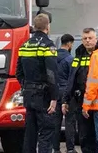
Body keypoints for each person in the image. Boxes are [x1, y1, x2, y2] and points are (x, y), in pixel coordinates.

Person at [16, 13, 60, 153]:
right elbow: (52, 74)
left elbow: (18, 72)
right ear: (48, 27)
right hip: (44, 96)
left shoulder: (25, 46)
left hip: (28, 95)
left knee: (30, 133)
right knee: (46, 133)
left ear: (35, 27)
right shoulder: (48, 46)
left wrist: (26, 85)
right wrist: (54, 98)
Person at [64, 28, 98, 153]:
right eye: (85, 38)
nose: (87, 41)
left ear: (96, 39)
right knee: (84, 135)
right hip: (81, 101)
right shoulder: (78, 54)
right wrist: (66, 99)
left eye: (90, 38)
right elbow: (72, 78)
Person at [54, 34, 76, 153]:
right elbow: (72, 79)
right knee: (69, 122)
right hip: (66, 92)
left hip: (54, 92)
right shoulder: (70, 59)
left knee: (55, 122)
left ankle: (55, 148)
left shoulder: (52, 57)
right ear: (69, 44)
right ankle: (70, 148)